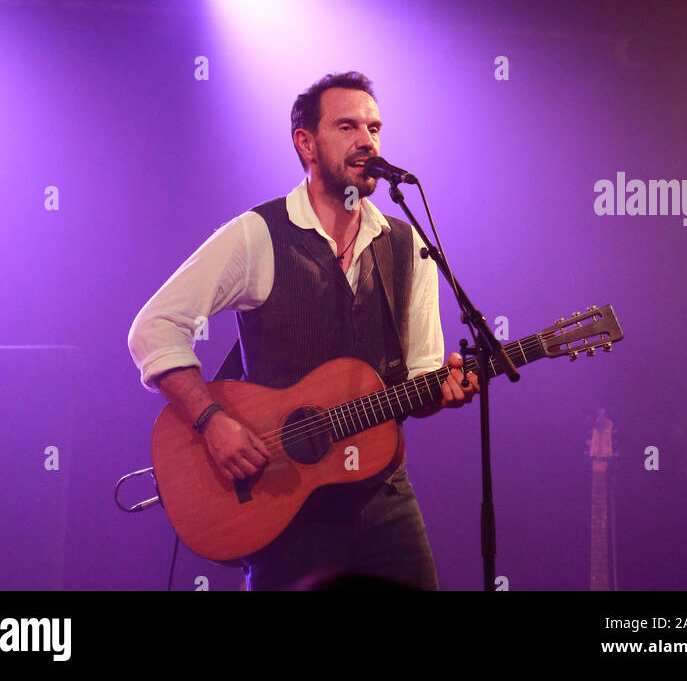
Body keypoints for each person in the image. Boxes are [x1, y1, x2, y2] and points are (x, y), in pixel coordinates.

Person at [127, 70, 478, 590]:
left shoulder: (409, 246)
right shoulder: (258, 236)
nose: (367, 140)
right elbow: (154, 329)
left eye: (375, 128)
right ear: (306, 143)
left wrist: (444, 389)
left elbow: (421, 379)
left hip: (383, 498)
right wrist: (211, 420)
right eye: (348, 126)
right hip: (280, 501)